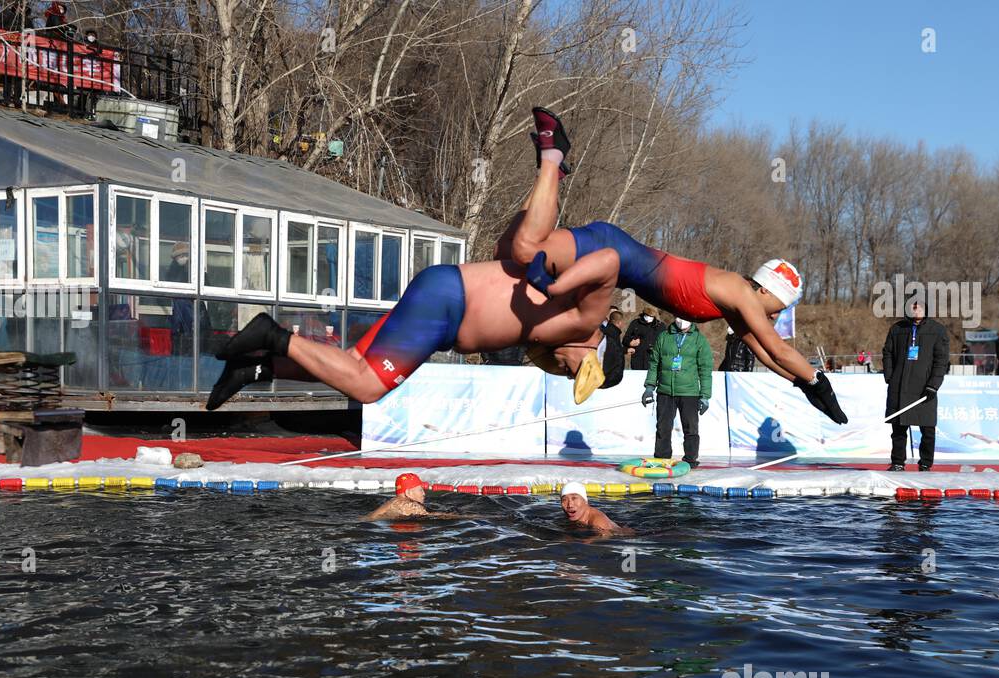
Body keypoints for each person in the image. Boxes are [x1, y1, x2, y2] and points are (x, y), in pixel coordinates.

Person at [207, 115, 625, 411]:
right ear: (590, 352)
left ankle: (256, 368)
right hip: (446, 305)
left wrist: (546, 175)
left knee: (353, 365)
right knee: (367, 388)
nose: (566, 374)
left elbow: (520, 238)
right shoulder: (582, 316)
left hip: (444, 307)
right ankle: (272, 334)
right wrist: (556, 281)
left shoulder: (558, 338)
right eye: (575, 373)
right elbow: (606, 260)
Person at [496, 108, 847, 425]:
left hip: (616, 256)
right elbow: (780, 348)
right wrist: (819, 381)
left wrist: (801, 384)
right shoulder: (741, 293)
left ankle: (553, 171)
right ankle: (552, 156)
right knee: (524, 250)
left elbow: (769, 356)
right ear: (765, 290)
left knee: (508, 256)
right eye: (779, 308)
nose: (775, 317)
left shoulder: (738, 306)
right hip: (610, 246)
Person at [881, 295, 948, 472]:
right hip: (900, 384)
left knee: (927, 429)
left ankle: (925, 463)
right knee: (898, 427)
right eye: (913, 305)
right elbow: (887, 353)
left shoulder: (938, 330)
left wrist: (933, 384)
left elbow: (941, 360)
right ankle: (897, 462)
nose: (916, 308)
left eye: (920, 305)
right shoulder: (897, 328)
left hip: (924, 387)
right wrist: (889, 376)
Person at [643, 317, 712, 468]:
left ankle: (691, 460)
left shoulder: (699, 340)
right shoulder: (664, 337)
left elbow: (705, 370)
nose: (681, 321)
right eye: (679, 317)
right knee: (663, 427)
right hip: (665, 391)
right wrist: (649, 387)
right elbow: (654, 364)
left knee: (691, 428)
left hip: (689, 392)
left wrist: (705, 396)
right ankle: (662, 458)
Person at [363, 473, 464, 521]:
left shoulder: (392, 501)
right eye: (420, 490)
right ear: (408, 492)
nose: (424, 493)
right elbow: (434, 516)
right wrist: (465, 517)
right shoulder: (409, 505)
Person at [559, 482, 630, 535]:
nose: (570, 505)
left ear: (585, 501)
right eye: (564, 500)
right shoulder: (576, 516)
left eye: (574, 498)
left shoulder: (598, 522)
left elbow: (597, 545)